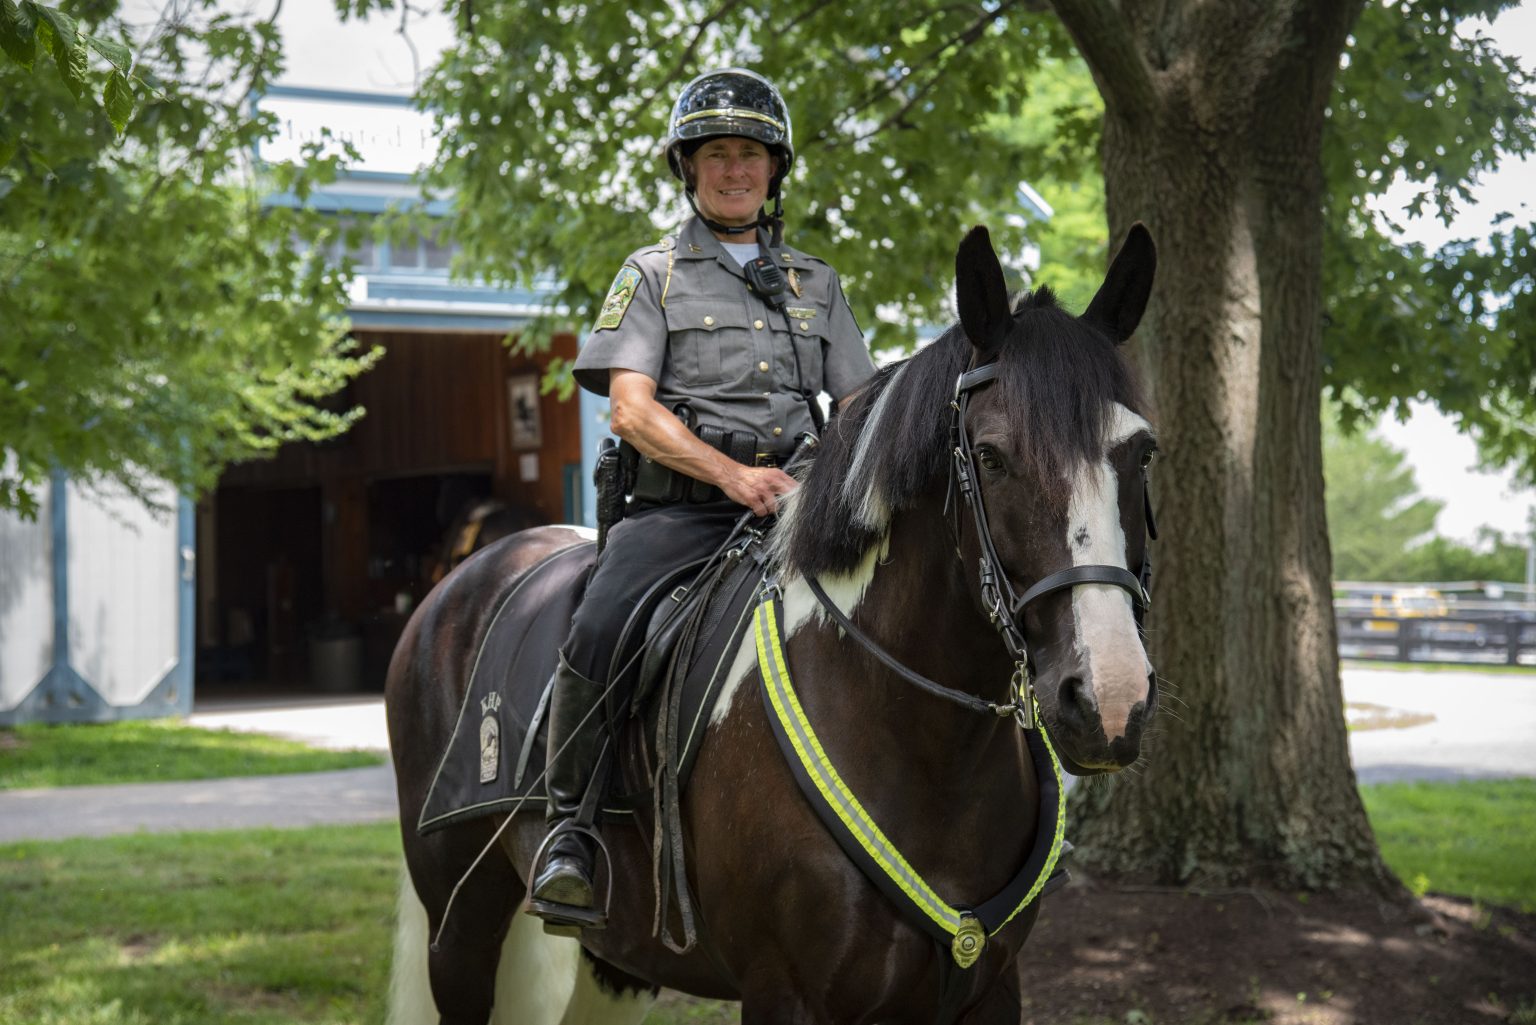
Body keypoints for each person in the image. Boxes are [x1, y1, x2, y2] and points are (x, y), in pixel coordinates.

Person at [527, 67, 877, 930]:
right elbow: (631, 408)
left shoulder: (818, 285)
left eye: (751, 155)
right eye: (716, 154)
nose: (735, 170)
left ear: (774, 170)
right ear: (688, 167)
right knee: (601, 621)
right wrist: (731, 477)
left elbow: (862, 406)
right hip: (681, 511)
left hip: (800, 506)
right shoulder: (651, 274)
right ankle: (569, 830)